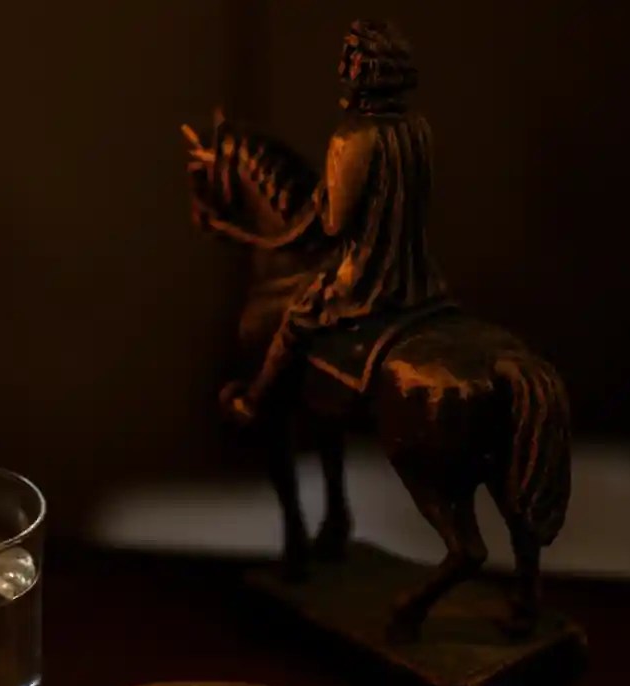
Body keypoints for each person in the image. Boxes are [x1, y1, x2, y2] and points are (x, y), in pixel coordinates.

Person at [192, 20, 449, 425]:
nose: (345, 63)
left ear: (367, 67)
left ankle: (257, 400)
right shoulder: (418, 128)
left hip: (365, 277)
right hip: (420, 276)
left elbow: (333, 225)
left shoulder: (351, 138)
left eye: (353, 55)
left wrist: (323, 195)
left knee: (295, 319)